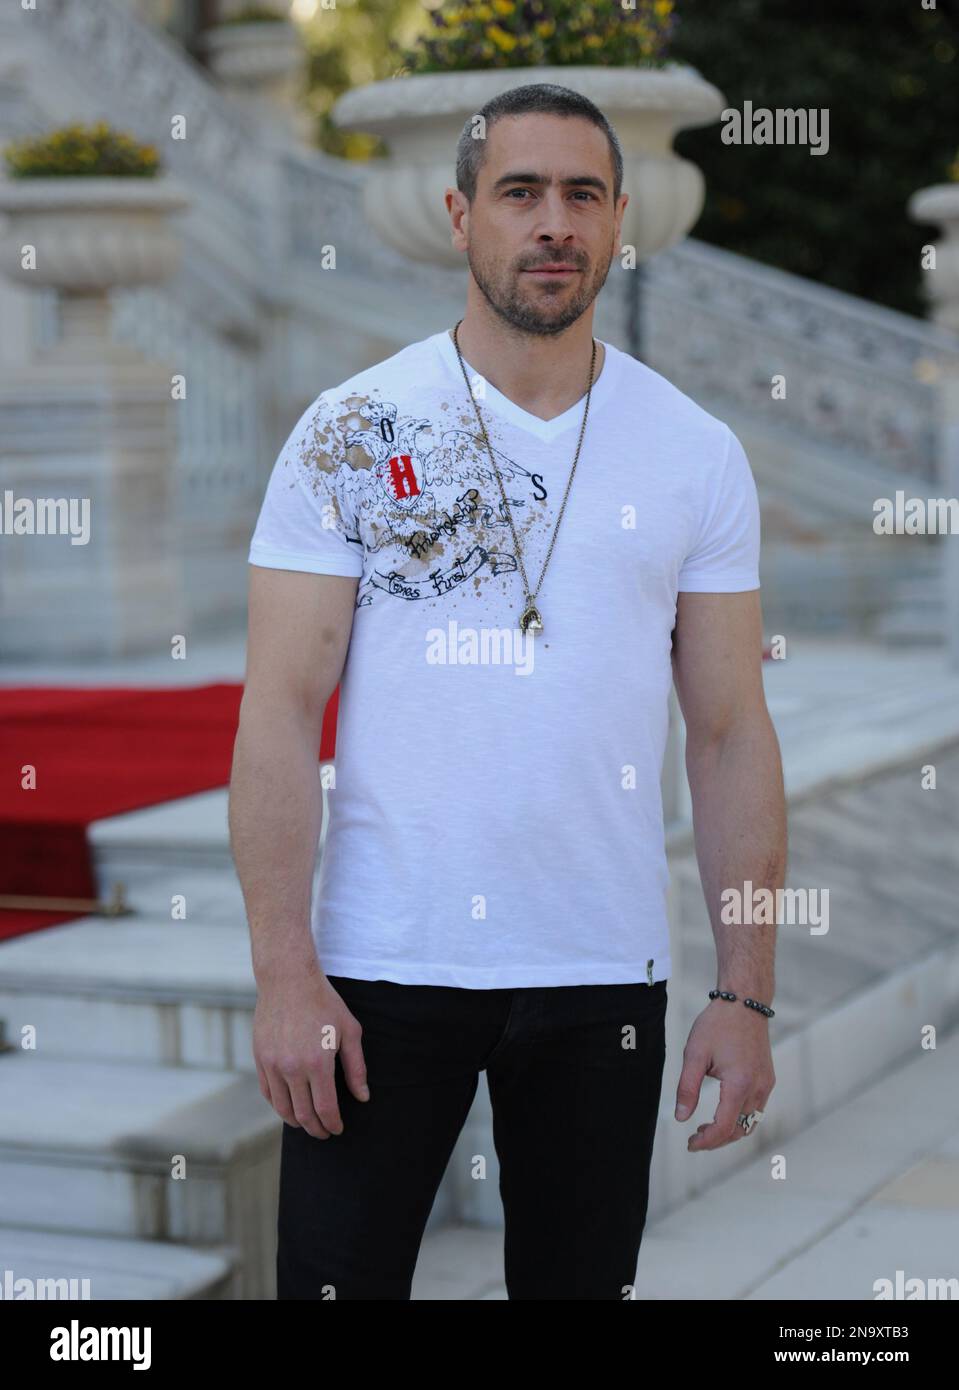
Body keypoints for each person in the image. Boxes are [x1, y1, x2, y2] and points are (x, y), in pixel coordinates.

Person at [229, 82, 786, 1301]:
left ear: (617, 219)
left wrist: (744, 991)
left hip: (601, 973)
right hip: (381, 967)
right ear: (457, 214)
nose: (552, 223)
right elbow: (275, 711)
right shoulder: (350, 429)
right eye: (519, 192)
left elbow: (731, 730)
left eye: (581, 195)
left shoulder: (693, 452)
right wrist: (284, 973)